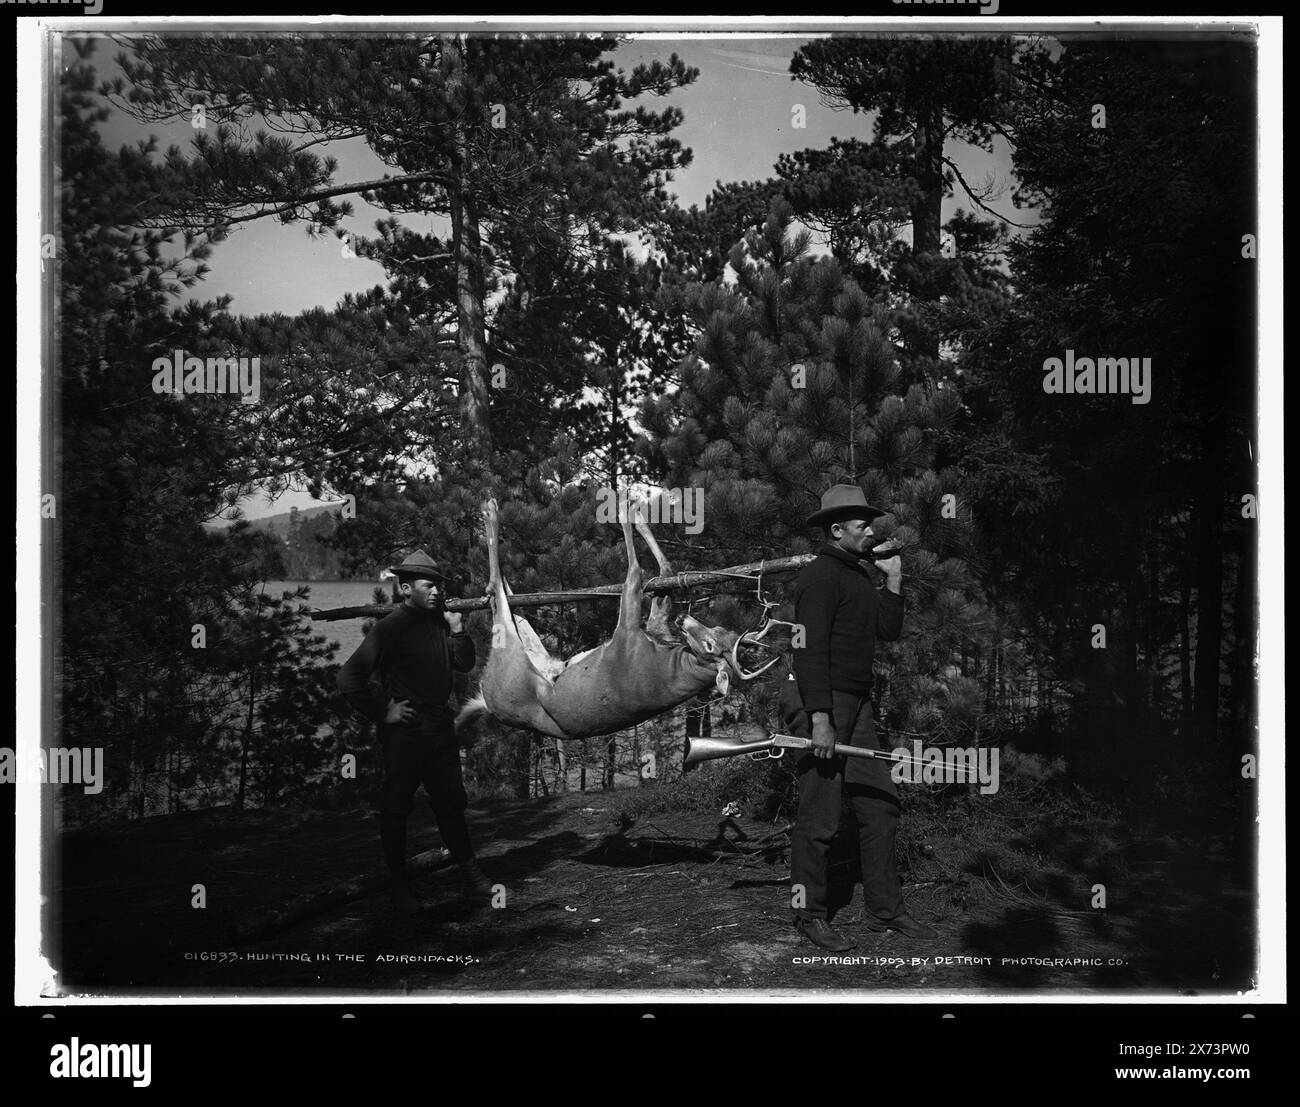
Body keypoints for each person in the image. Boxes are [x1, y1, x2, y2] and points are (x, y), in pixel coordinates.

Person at [783, 484, 938, 951]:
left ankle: (884, 911)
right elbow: (807, 653)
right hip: (819, 703)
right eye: (863, 525)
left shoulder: (858, 577)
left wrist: (893, 578)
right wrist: (820, 719)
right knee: (821, 814)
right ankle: (808, 915)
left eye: (870, 523)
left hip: (857, 704)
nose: (872, 531)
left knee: (880, 805)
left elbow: (887, 631)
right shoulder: (818, 579)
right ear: (836, 530)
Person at [337, 550, 492, 913]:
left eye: (439, 584)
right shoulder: (390, 627)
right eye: (428, 585)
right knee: (395, 809)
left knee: (452, 805)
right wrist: (383, 712)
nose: (437, 591)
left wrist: (458, 632)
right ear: (406, 589)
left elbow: (465, 664)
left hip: (440, 728)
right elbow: (349, 678)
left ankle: (473, 879)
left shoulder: (441, 622)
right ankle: (399, 886)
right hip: (406, 731)